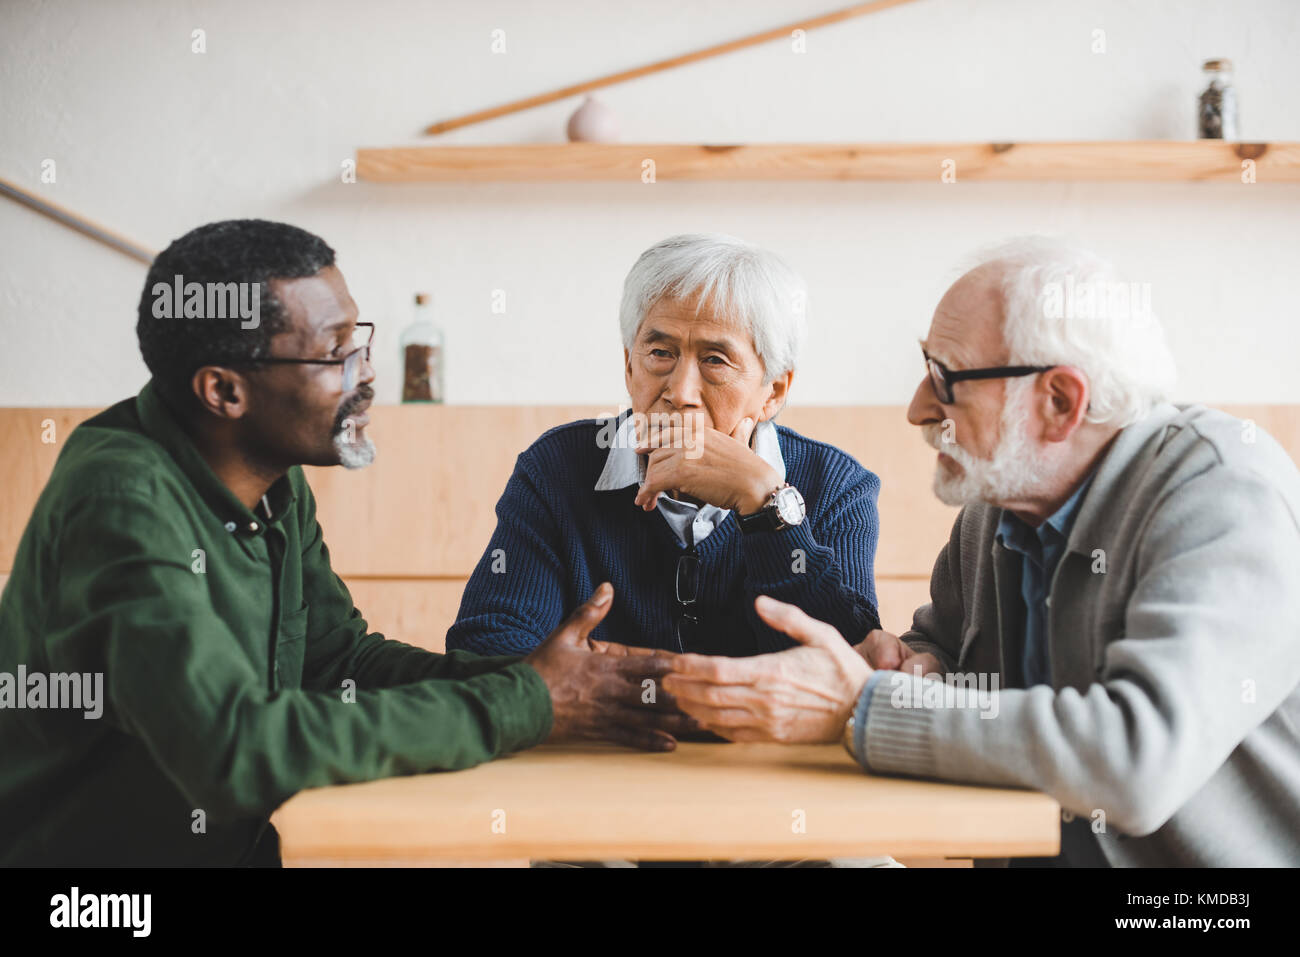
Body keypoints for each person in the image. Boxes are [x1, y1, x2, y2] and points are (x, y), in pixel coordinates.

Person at [0, 219, 686, 867]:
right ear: (224, 391)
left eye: (361, 341)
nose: (367, 374)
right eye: (335, 354)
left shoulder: (270, 481)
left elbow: (336, 661)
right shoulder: (120, 501)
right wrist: (529, 702)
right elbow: (232, 747)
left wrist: (539, 678)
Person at [663, 236, 1300, 866]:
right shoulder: (993, 508)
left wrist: (862, 706)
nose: (917, 409)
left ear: (1059, 402)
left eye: (946, 380)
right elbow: (944, 653)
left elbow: (1135, 760)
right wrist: (911, 665)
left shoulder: (1222, 491)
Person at [446, 233, 882, 659]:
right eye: (660, 353)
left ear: (774, 392)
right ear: (629, 365)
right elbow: (484, 649)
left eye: (715, 360)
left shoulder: (837, 485)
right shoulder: (557, 469)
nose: (680, 391)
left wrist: (765, 507)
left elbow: (853, 663)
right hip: (601, 734)